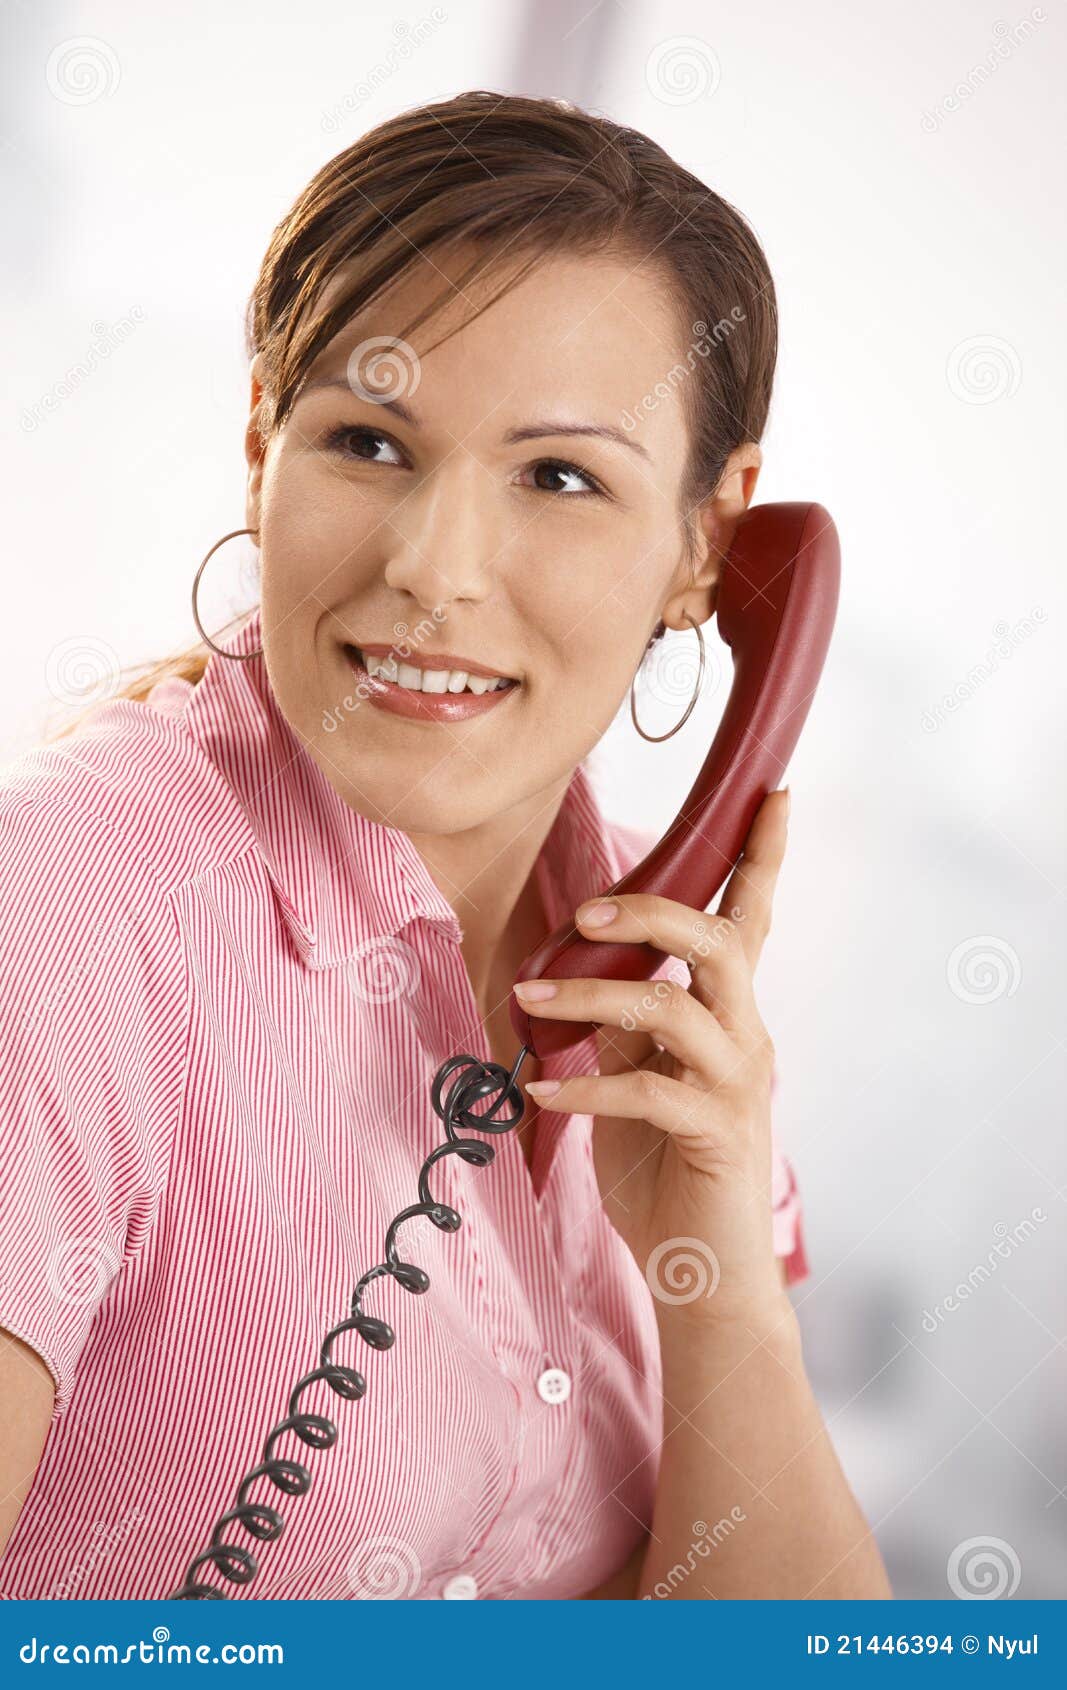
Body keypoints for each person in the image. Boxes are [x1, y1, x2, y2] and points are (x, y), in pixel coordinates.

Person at [0, 90, 890, 1600]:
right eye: (367, 440)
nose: (431, 568)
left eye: (559, 476)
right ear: (261, 451)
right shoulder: (71, 915)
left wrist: (724, 1285)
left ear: (707, 548)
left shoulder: (647, 974)